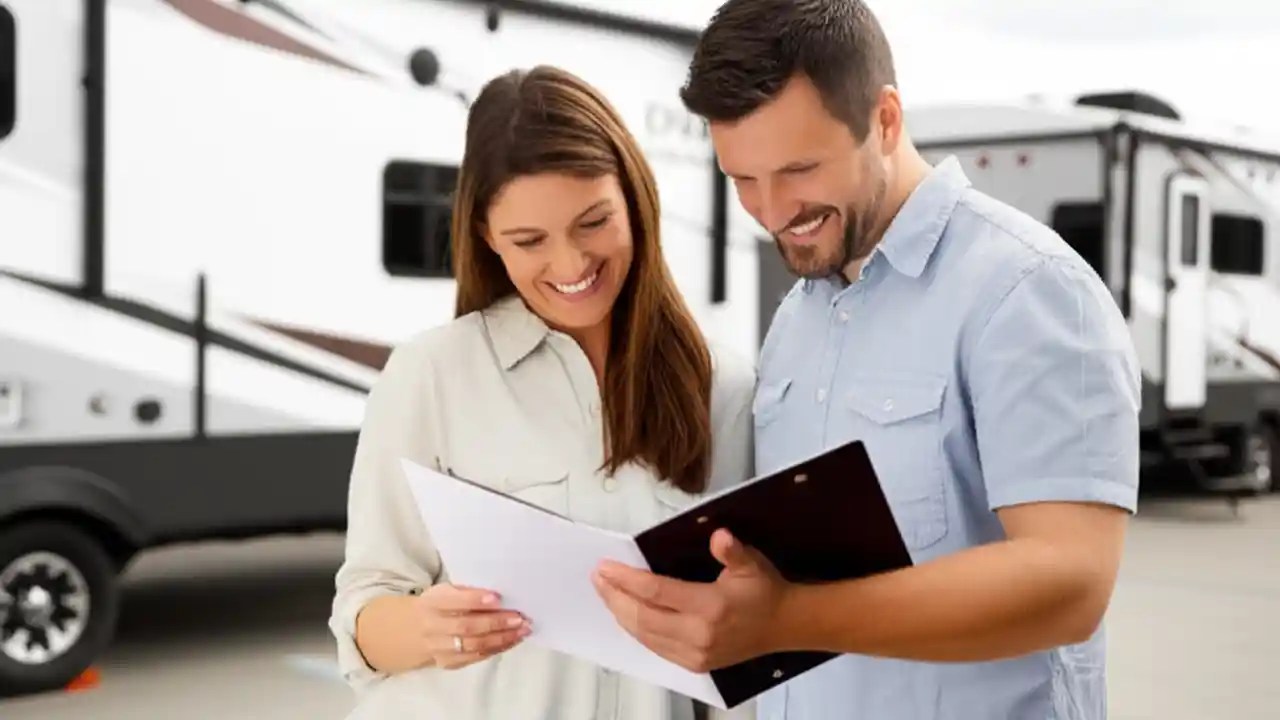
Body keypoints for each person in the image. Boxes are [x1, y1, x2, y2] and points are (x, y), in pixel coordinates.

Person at [592, 1, 1142, 718]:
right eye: (742, 179)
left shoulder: (1027, 290)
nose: (771, 209)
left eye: (798, 168)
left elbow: (1070, 582)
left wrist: (787, 619)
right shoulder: (800, 314)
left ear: (884, 121)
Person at [328, 65, 756, 720]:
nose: (571, 265)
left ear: (636, 202)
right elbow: (364, 615)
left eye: (593, 223)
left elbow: (741, 643)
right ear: (488, 239)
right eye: (530, 241)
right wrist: (425, 628)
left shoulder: (722, 386)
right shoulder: (430, 374)